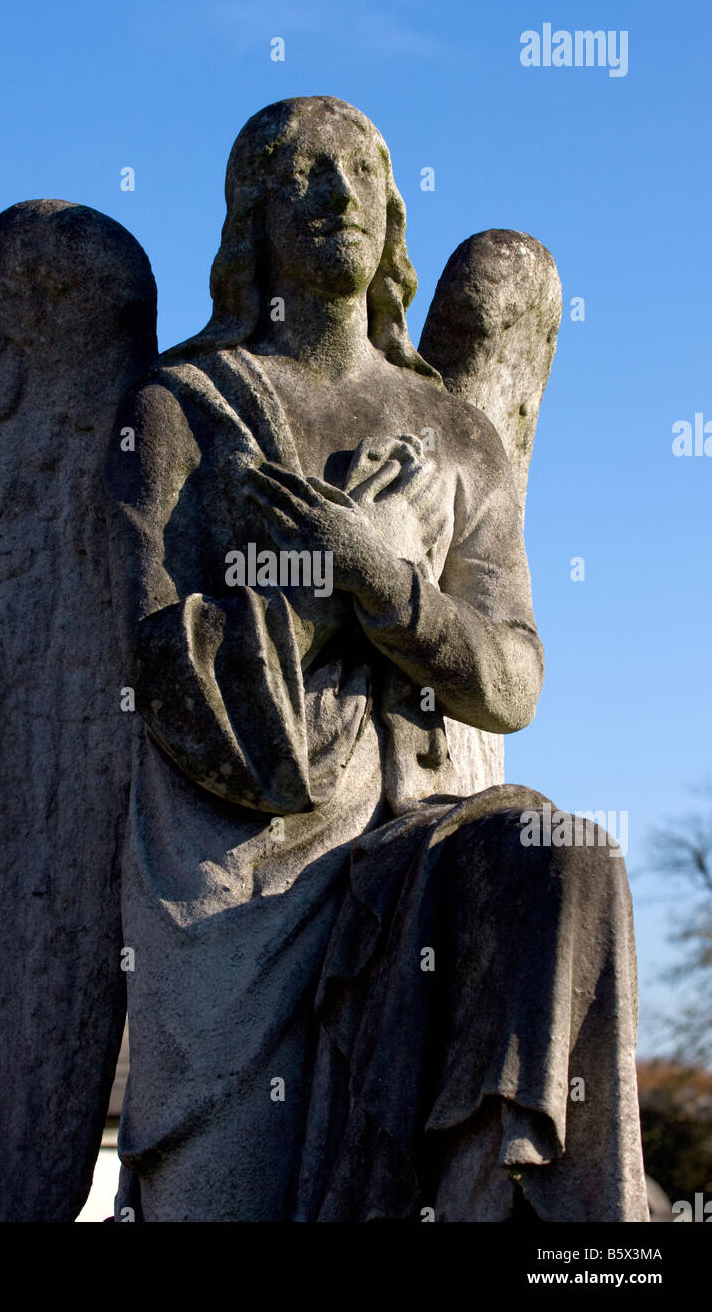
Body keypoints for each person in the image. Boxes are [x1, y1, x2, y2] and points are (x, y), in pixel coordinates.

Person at [105, 96, 647, 1222]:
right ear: (251, 213)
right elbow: (170, 686)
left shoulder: (454, 433)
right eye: (301, 173)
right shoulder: (181, 411)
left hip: (425, 838)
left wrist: (379, 573)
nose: (335, 195)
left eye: (359, 171)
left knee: (568, 866)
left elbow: (509, 683)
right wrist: (318, 582)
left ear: (391, 215)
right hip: (246, 874)